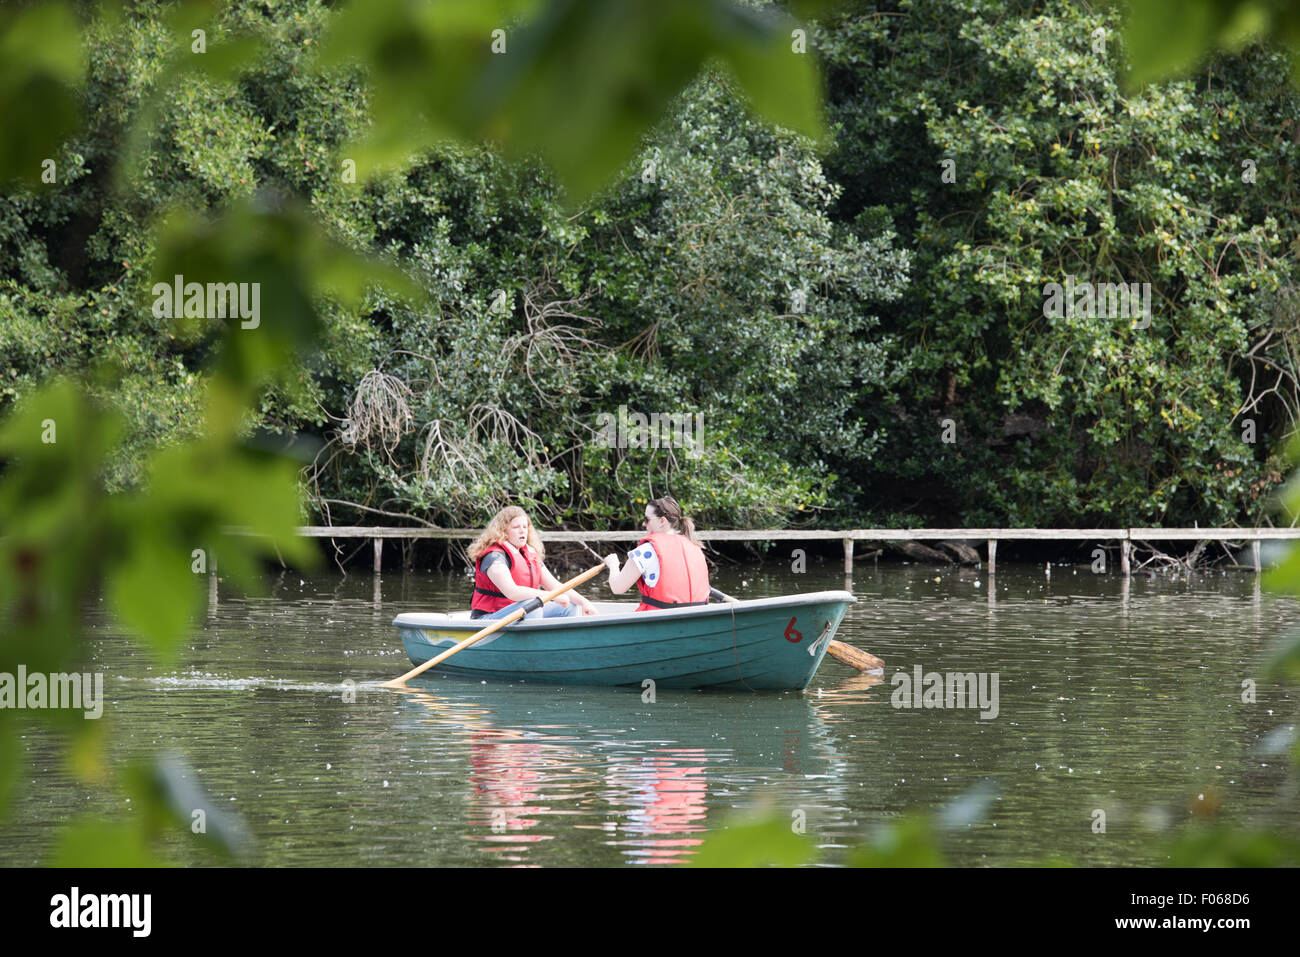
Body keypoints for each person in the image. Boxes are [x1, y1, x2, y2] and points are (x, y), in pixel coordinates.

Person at [468, 506, 596, 619]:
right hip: (489, 618)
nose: (522, 531)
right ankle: (533, 644)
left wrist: (584, 602)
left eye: (525, 527)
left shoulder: (530, 555)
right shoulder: (494, 557)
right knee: (533, 606)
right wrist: (550, 596)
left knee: (569, 606)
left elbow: (556, 586)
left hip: (519, 614)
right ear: (503, 531)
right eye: (516, 527)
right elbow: (512, 592)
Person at [604, 496, 710, 611]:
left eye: (647, 519)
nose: (644, 524)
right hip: (696, 616)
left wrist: (613, 565)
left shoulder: (646, 551)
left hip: (663, 621)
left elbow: (617, 588)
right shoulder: (695, 547)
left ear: (662, 521)